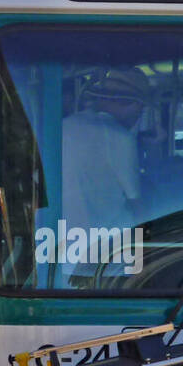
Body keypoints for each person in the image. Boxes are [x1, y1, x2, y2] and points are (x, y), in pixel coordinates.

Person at [59, 68, 150, 285]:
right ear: (133, 105)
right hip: (110, 258)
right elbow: (138, 206)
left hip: (61, 253)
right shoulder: (120, 137)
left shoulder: (62, 128)